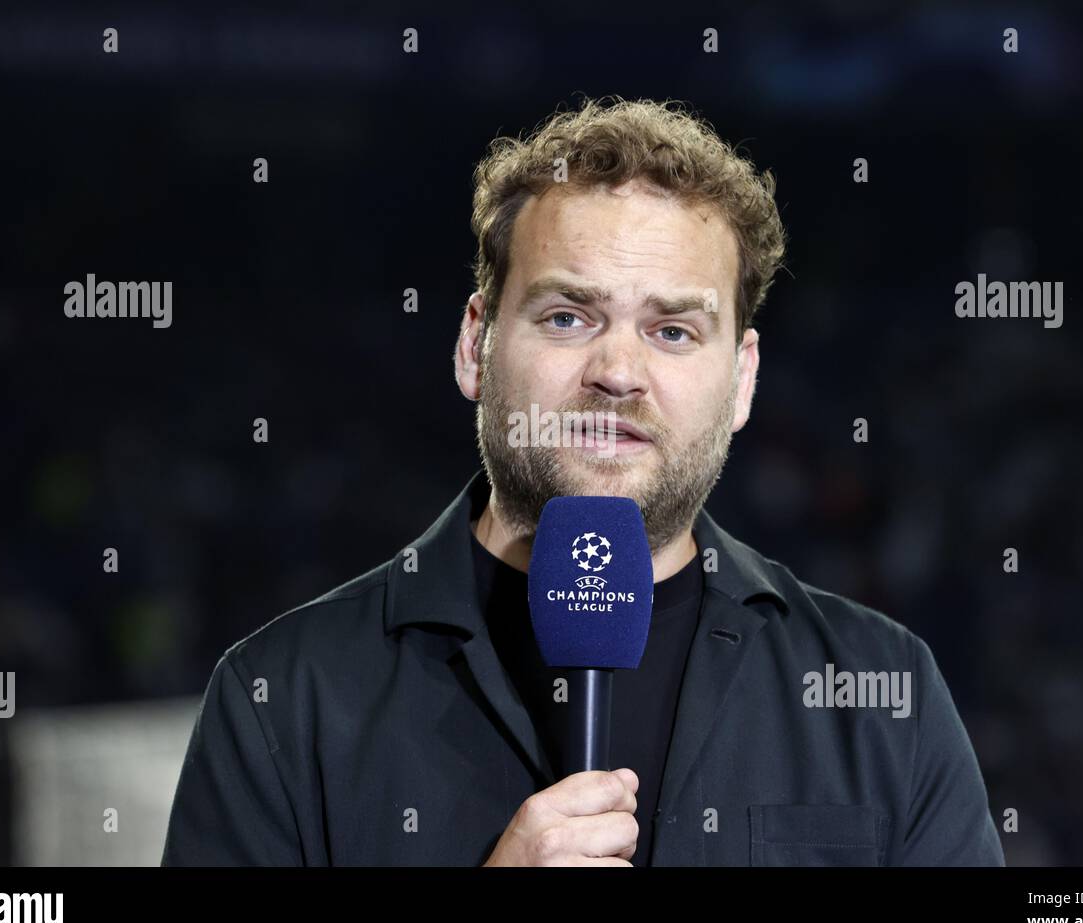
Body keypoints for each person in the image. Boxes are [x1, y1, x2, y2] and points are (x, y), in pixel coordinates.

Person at [161, 96, 1005, 867]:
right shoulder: (283, 701)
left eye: (673, 330)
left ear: (742, 379)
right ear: (475, 345)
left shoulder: (884, 697)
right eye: (568, 317)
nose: (619, 372)